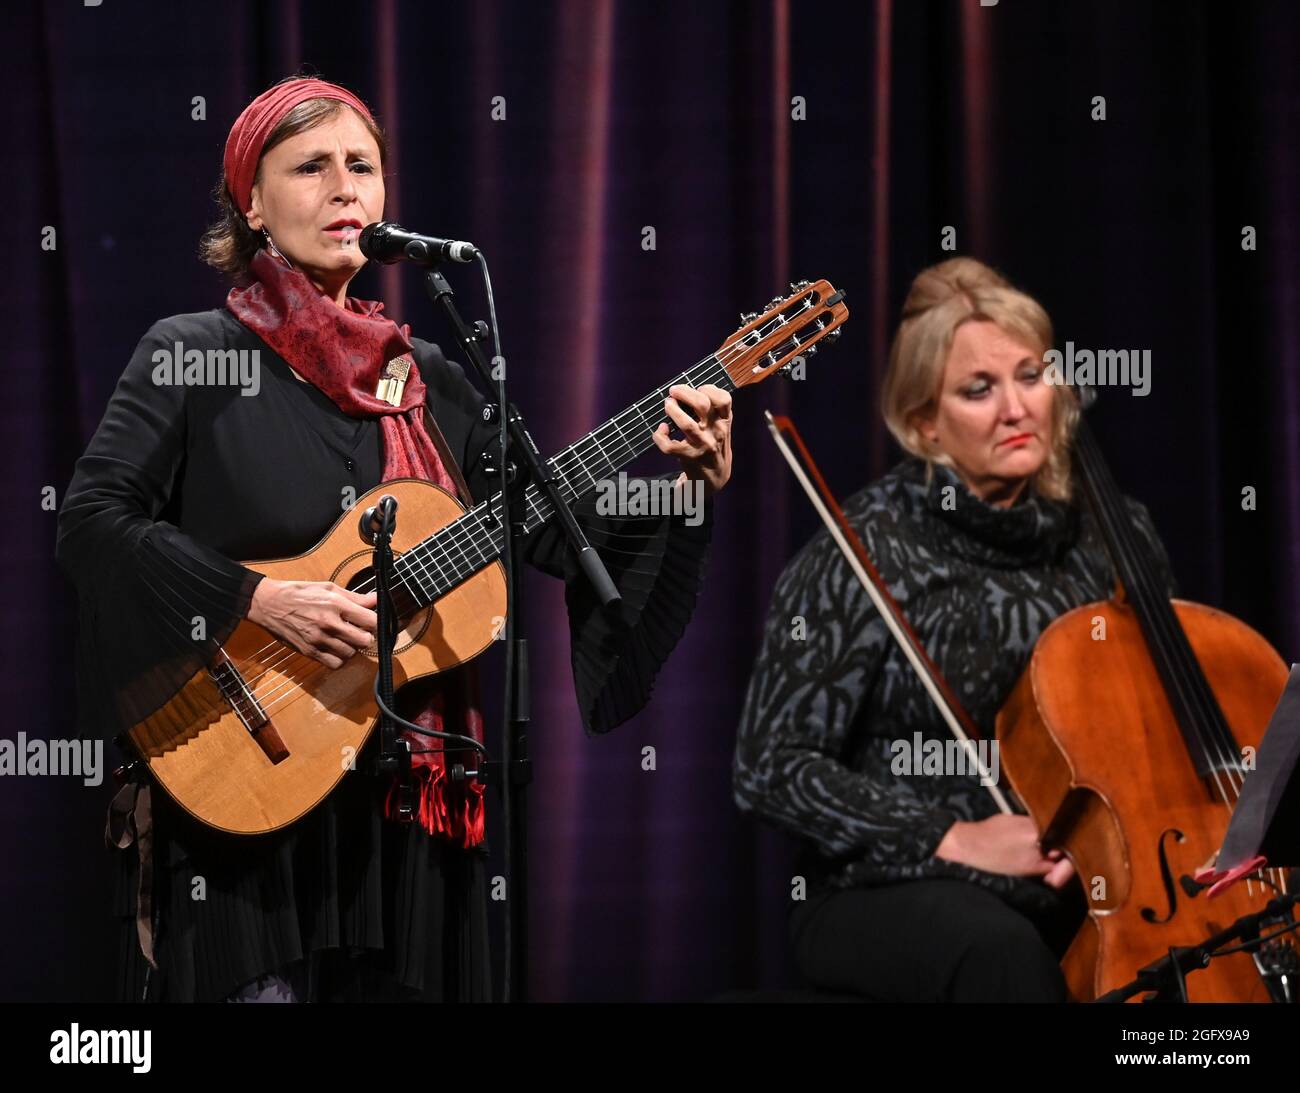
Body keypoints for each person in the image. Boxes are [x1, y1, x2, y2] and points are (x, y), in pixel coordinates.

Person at [56, 75, 734, 1003]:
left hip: (405, 822)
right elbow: (93, 521)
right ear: (251, 204)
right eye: (311, 167)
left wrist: (690, 482)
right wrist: (260, 599)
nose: (345, 188)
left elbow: (553, 529)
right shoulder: (191, 353)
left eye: (363, 166)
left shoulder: (432, 381)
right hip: (247, 803)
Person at [733, 257, 1176, 1002]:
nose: (1016, 408)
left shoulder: (1115, 534)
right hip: (882, 887)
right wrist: (953, 835)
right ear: (924, 422)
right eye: (979, 389)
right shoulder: (863, 548)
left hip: (1087, 873)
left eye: (1031, 376)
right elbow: (771, 765)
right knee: (1000, 952)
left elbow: (1158, 729)